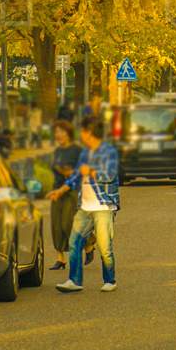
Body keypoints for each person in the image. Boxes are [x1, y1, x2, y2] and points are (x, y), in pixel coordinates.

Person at [56, 121, 120, 293]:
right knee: (74, 242)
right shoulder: (85, 152)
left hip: (103, 206)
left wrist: (91, 172)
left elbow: (110, 175)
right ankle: (74, 281)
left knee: (105, 246)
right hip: (84, 206)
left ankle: (110, 280)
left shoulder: (109, 152)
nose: (81, 135)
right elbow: (77, 174)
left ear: (90, 132)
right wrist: (61, 190)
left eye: (83, 131)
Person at [46, 122, 82, 270]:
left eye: (61, 131)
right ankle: (60, 259)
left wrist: (67, 173)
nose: (58, 135)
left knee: (67, 224)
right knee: (56, 225)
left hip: (71, 190)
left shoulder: (77, 150)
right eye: (56, 132)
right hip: (56, 190)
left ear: (69, 133)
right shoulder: (57, 151)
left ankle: (88, 242)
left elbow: (78, 173)